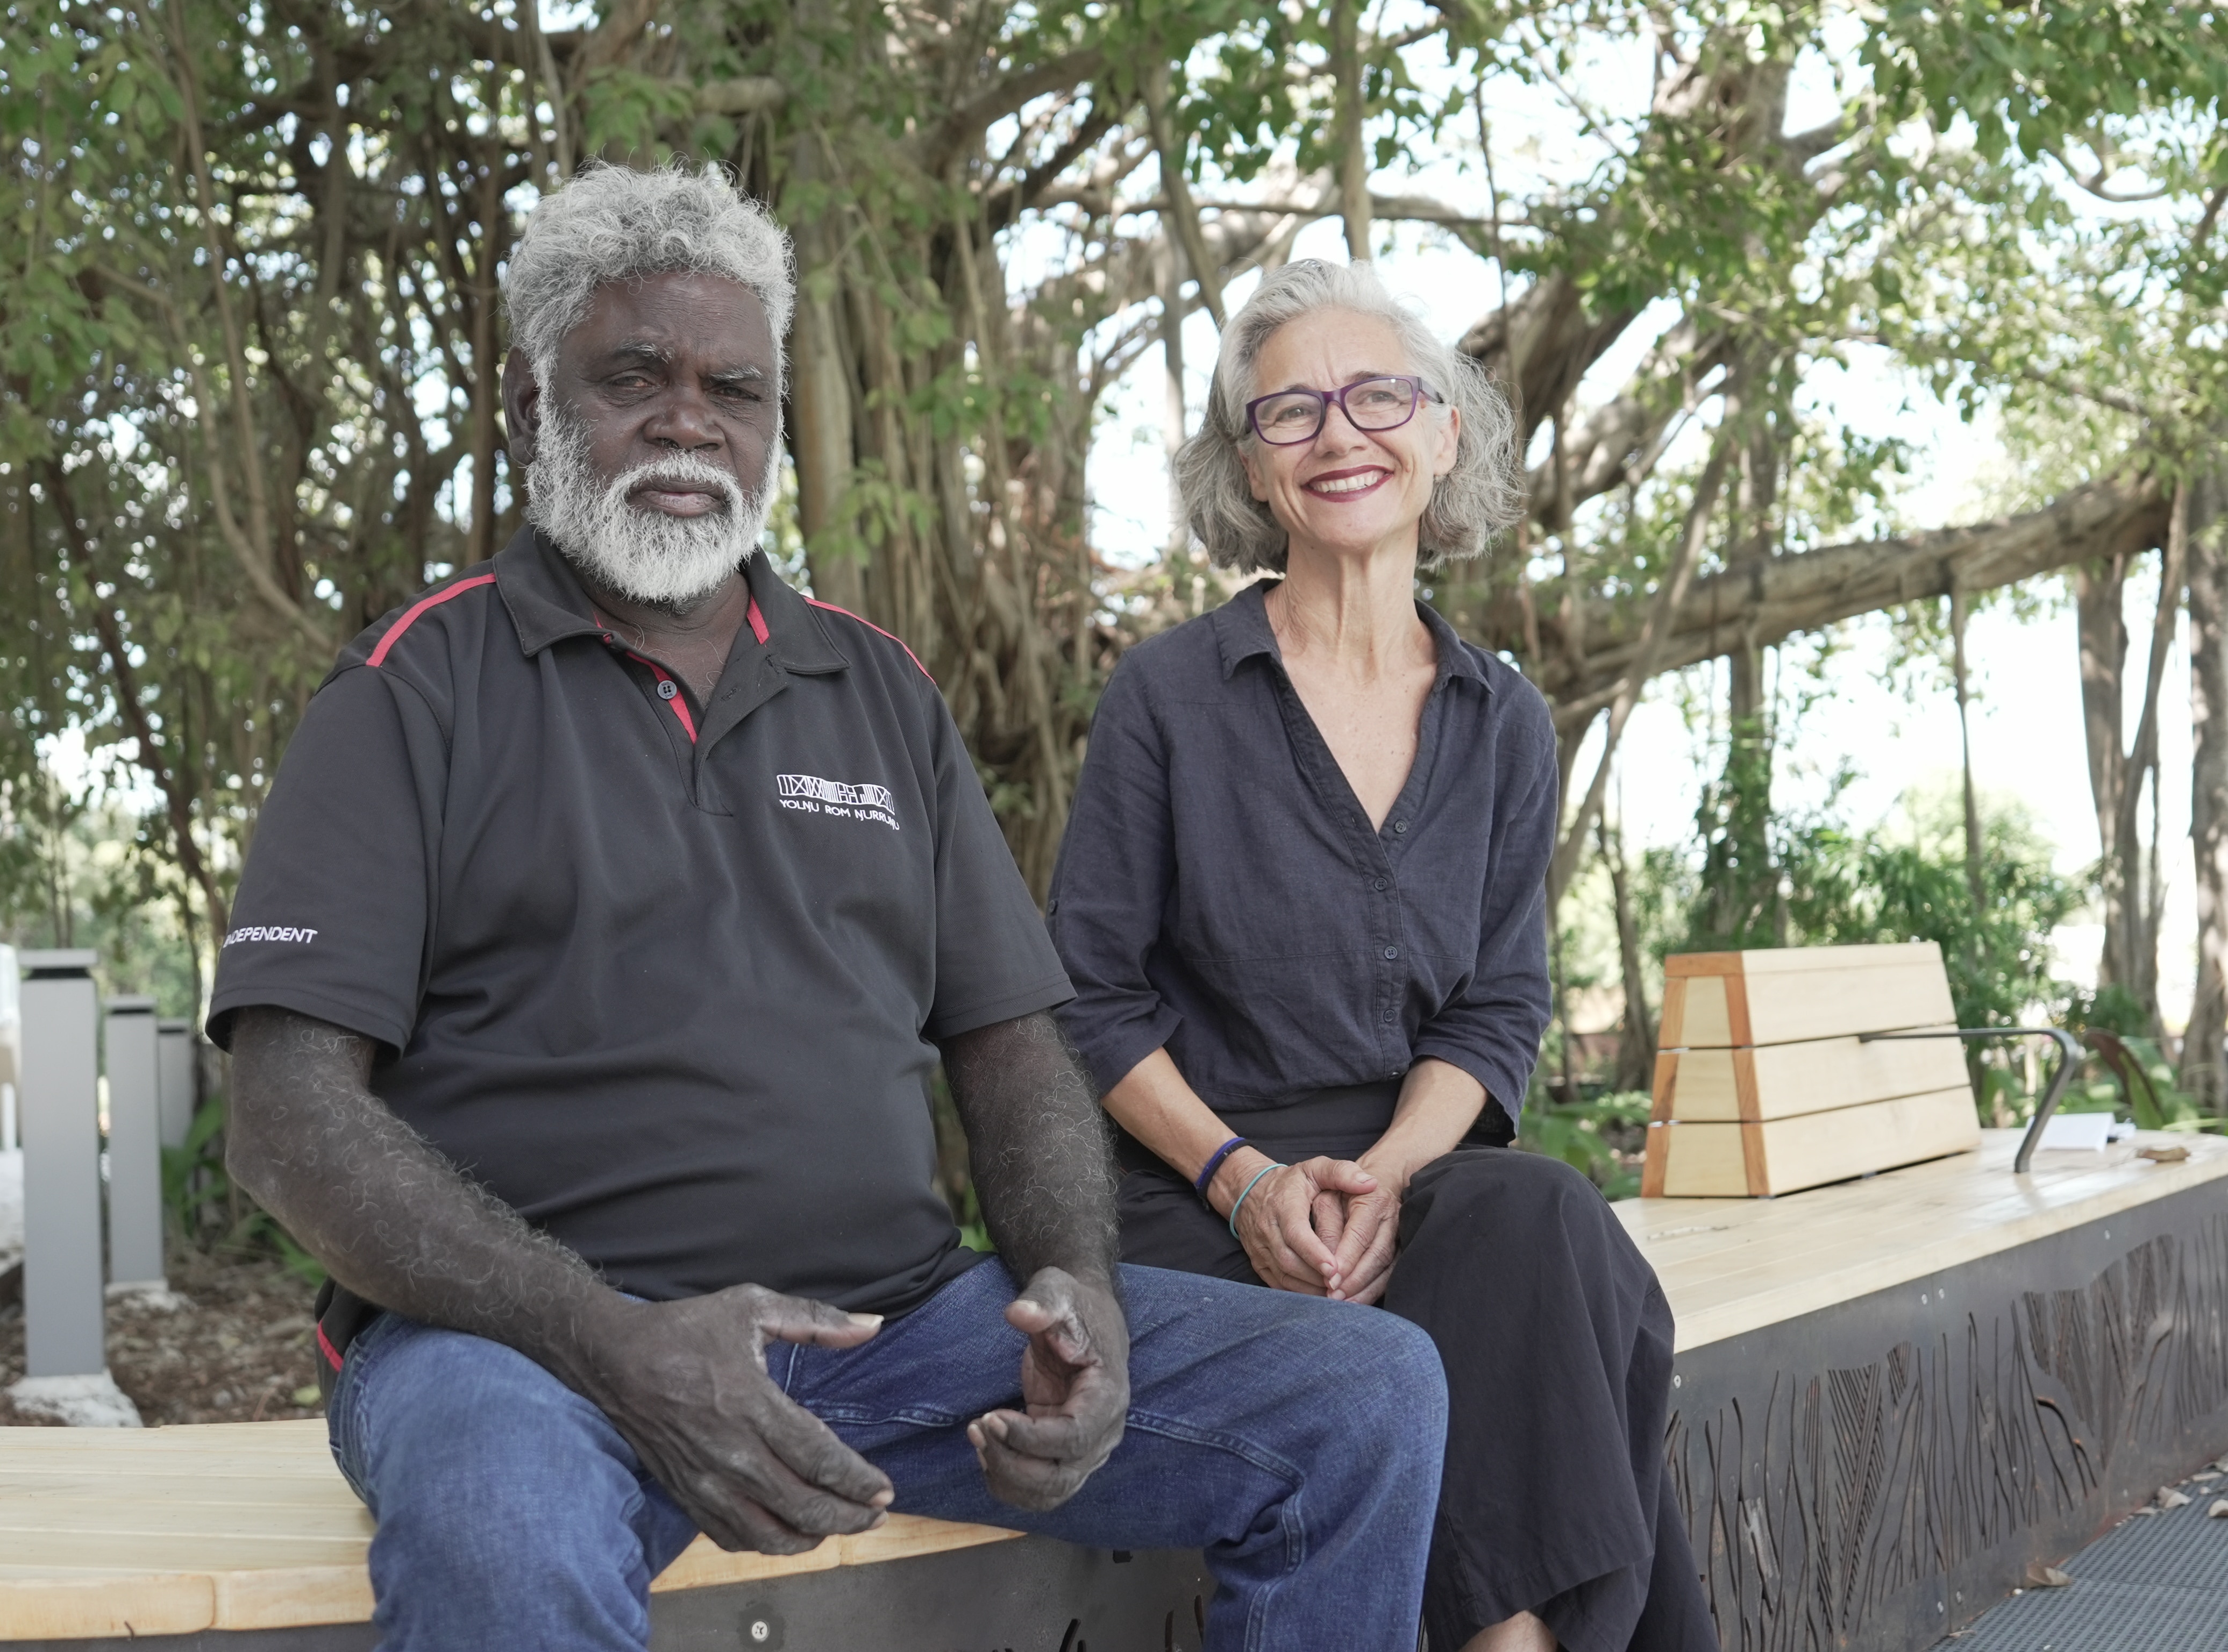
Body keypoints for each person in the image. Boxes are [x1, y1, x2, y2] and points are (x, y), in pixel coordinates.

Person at [209, 166, 1447, 1652]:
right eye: (633, 378)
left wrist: (1079, 1289)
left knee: (1365, 1397)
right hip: (531, 1359)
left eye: (734, 387)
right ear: (534, 401)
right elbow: (285, 1119)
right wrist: (613, 1342)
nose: (688, 421)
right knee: (501, 1526)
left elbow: (1012, 1049)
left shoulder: (876, 688)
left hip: (900, 1335)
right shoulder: (415, 686)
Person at [1047, 259, 1718, 1652]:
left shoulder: (1501, 721)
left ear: (1445, 432)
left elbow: (1496, 1005)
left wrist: (1391, 1176)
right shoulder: (1170, 696)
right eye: (1289, 413)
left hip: (1417, 1171)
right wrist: (1246, 1184)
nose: (1338, 434)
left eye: (1375, 396)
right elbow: (1088, 999)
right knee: (1553, 1295)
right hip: (1203, 1187)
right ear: (1250, 468)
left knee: (1536, 1223)